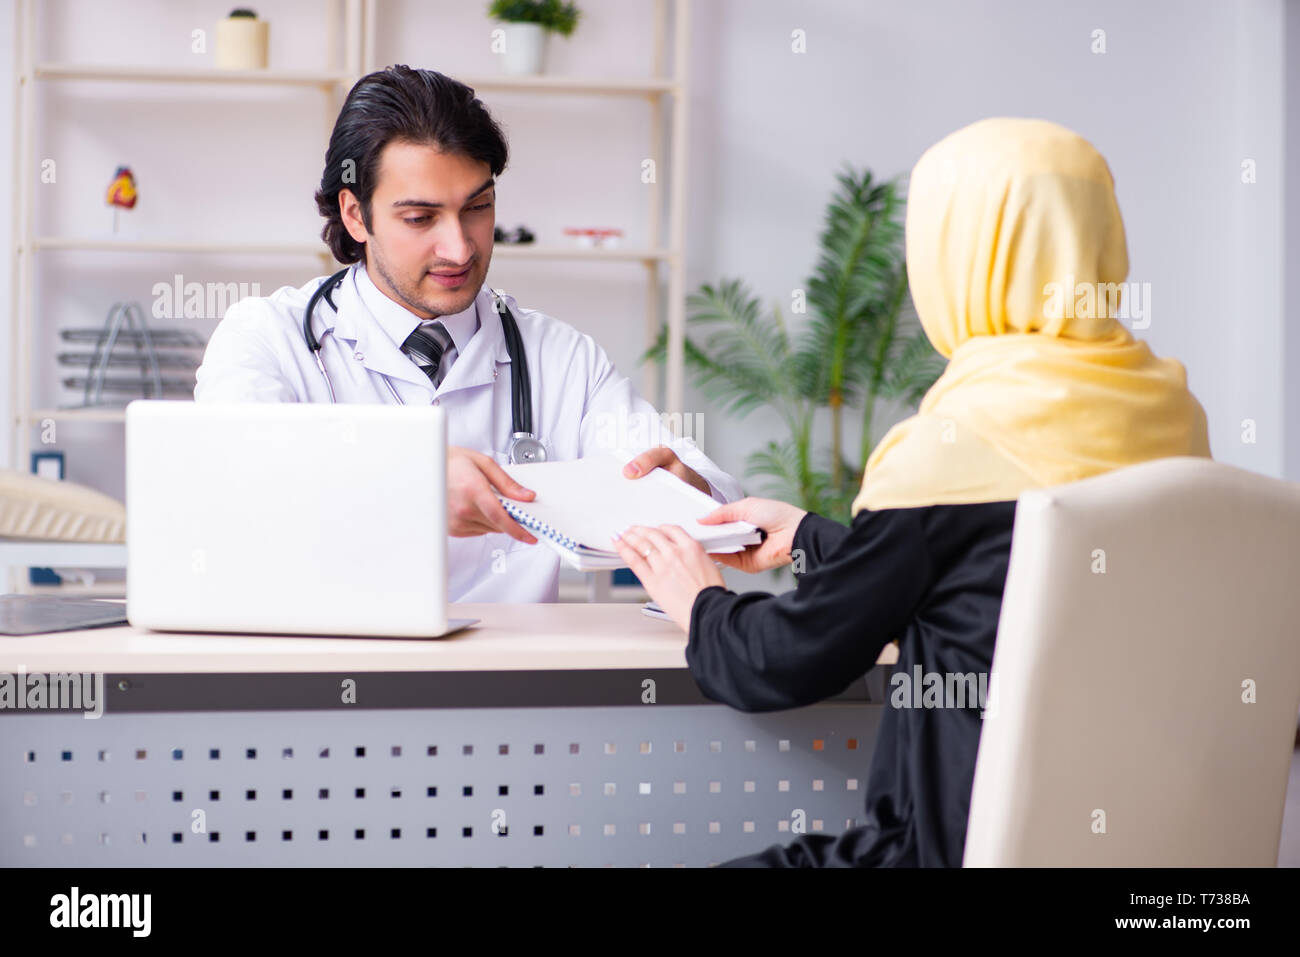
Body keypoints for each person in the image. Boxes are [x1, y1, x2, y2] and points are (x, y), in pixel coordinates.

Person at [611, 117, 1213, 866]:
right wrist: (808, 536)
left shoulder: (957, 446)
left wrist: (699, 599)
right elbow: (986, 579)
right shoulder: (1173, 419)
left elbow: (782, 662)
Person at [194, 65, 741, 602]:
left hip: (505, 680)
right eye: (420, 218)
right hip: (325, 669)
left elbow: (720, 502)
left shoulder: (560, 356)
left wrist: (685, 490)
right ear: (356, 215)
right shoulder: (266, 336)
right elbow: (230, 488)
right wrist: (411, 478)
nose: (459, 249)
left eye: (477, 208)